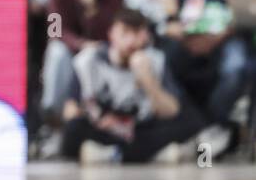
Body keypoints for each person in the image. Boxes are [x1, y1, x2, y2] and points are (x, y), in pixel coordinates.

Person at [158, 0, 255, 154]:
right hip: (187, 39)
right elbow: (169, 11)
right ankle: (184, 123)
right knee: (160, 64)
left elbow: (247, 13)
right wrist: (181, 31)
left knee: (236, 67)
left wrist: (216, 37)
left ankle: (212, 124)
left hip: (225, 38)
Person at [60, 9, 205, 164]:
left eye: (137, 33)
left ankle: (111, 155)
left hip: (140, 128)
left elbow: (171, 111)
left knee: (193, 121)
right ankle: (151, 155)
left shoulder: (154, 60)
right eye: (125, 33)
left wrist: (148, 81)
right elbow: (70, 111)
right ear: (112, 34)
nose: (131, 40)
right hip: (105, 128)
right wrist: (100, 119)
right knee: (74, 129)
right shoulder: (88, 61)